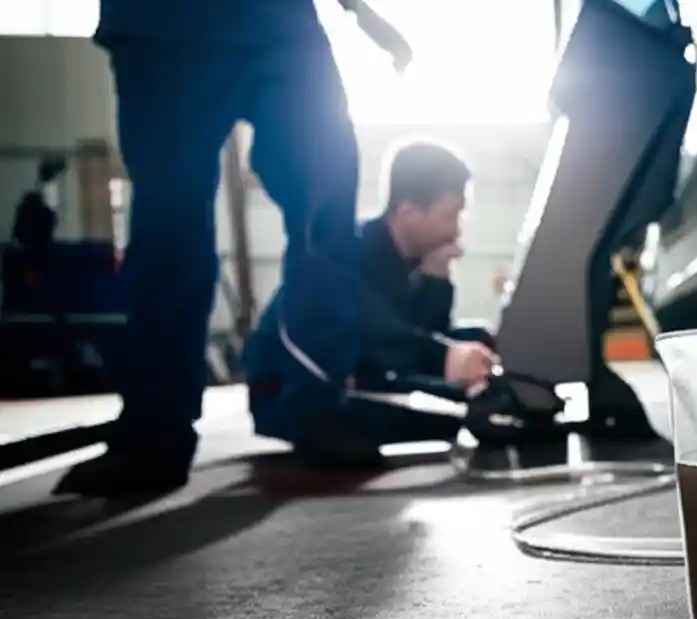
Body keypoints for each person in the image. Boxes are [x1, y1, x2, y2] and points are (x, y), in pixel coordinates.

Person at [55, 0, 412, 497]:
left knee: (324, 203)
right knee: (170, 221)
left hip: (279, 21)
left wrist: (358, 9)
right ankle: (157, 428)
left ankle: (317, 406)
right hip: (166, 26)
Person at [244, 143, 498, 462]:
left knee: (474, 365)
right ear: (408, 212)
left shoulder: (405, 259)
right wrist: (445, 357)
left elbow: (420, 332)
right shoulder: (351, 252)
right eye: (450, 216)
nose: (456, 230)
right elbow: (373, 334)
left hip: (363, 372)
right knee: (462, 413)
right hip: (289, 391)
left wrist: (437, 278)